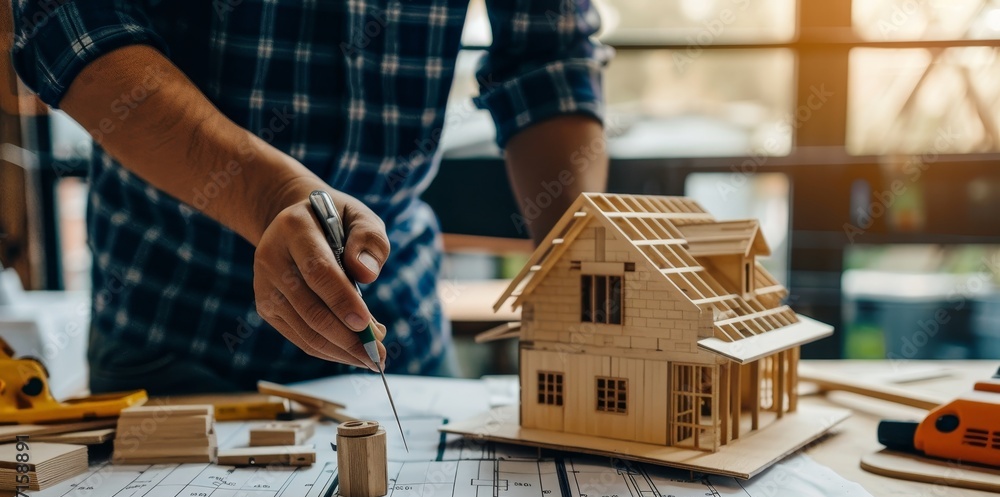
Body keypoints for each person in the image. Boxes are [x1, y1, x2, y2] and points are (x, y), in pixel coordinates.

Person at [9, 0, 610, 395]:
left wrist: (570, 276)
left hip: (398, 320)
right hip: (175, 317)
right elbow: (71, 22)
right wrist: (270, 195)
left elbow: (547, 56)